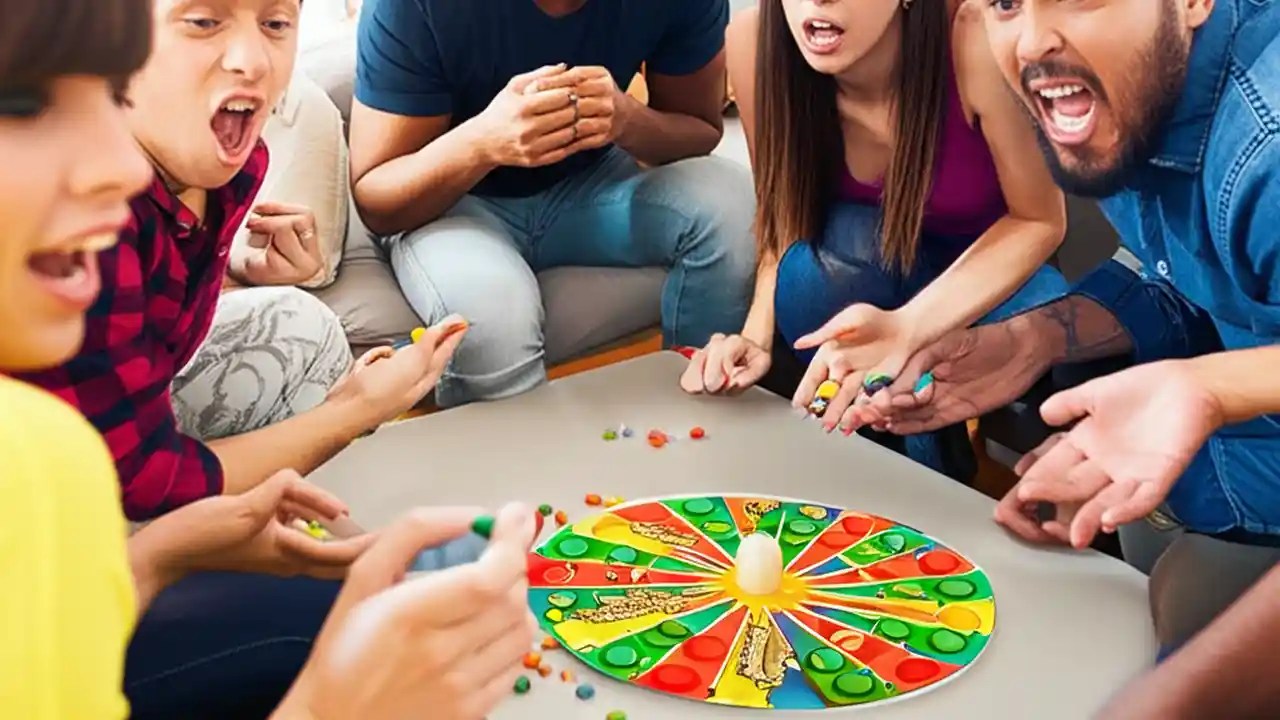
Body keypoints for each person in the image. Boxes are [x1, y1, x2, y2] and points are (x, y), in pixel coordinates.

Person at [0, 4, 535, 718]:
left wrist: (164, 555)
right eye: (28, 107)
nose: (119, 166)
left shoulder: (43, 449)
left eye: (278, 23)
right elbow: (144, 482)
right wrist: (329, 706)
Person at [847, 0, 1280, 713]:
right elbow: (1190, 282)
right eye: (1008, 4)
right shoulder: (1131, 100)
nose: (1034, 41)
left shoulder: (1263, 149)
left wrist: (1202, 408)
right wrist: (1032, 339)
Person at [679, 0, 1068, 480]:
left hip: (988, 284)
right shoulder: (755, 40)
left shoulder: (972, 35)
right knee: (811, 275)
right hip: (864, 282)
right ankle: (886, 463)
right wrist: (755, 336)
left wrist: (910, 330)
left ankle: (933, 464)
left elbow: (1040, 221)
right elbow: (783, 215)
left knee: (1053, 323)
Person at [349, 0, 757, 407]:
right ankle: (520, 465)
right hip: (452, 204)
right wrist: (482, 143)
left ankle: (701, 420)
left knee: (732, 201)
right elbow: (377, 199)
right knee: (493, 312)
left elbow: (699, 129)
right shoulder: (412, 7)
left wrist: (626, 119)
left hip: (592, 185)